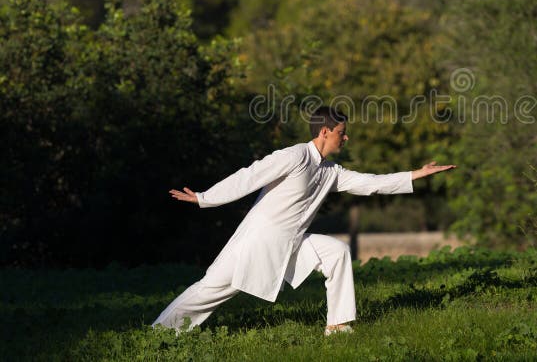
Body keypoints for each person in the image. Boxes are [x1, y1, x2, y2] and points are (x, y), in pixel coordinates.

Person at [152, 106, 455, 336]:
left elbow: (370, 183)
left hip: (293, 243)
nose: (346, 137)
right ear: (325, 132)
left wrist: (416, 174)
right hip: (257, 242)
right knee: (210, 290)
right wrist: (205, 197)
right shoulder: (295, 155)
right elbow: (250, 175)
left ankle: (338, 328)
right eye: (341, 132)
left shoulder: (330, 171)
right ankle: (159, 333)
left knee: (336, 252)